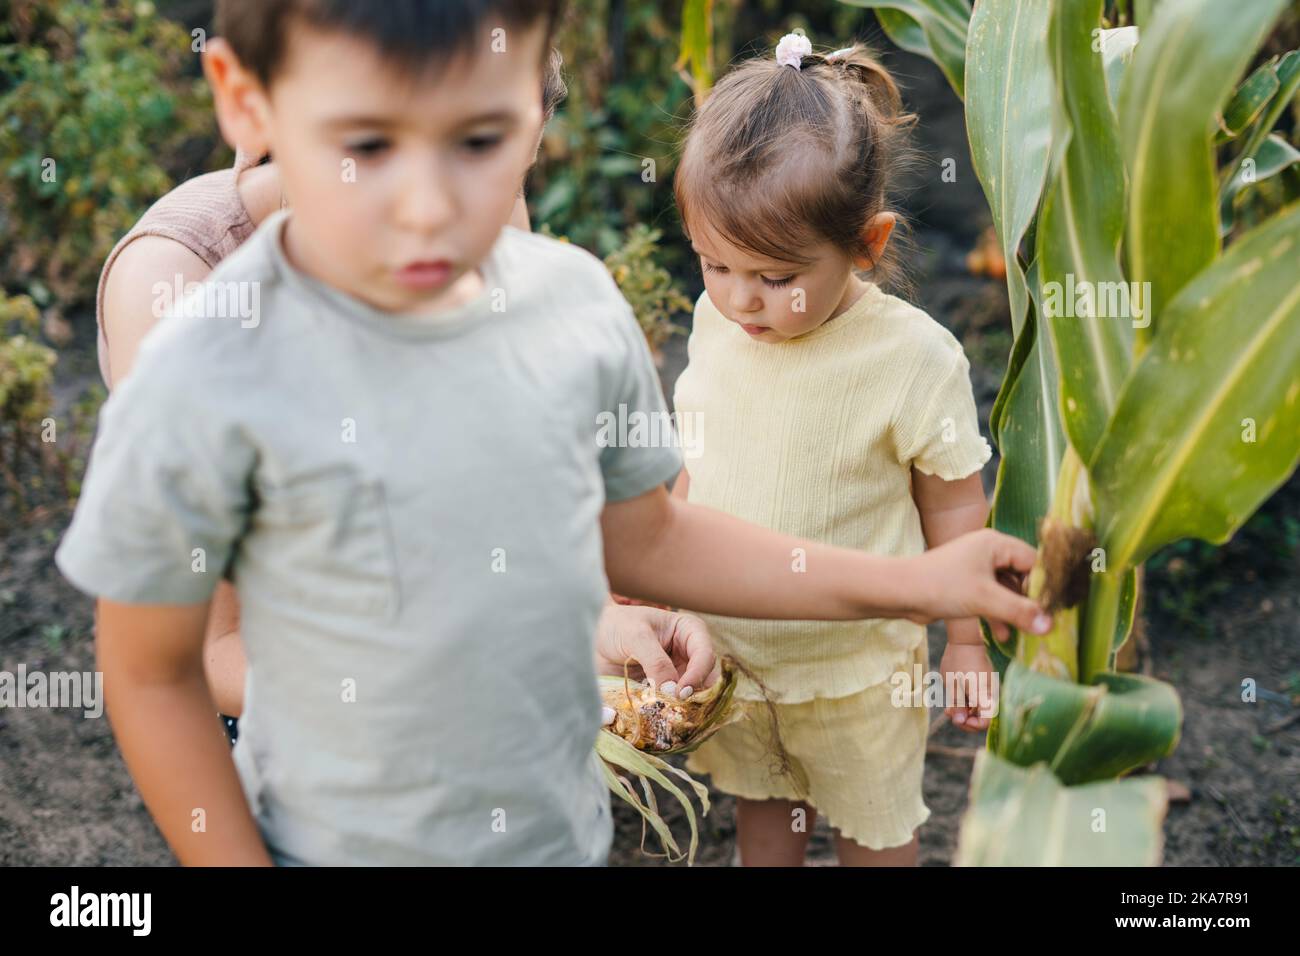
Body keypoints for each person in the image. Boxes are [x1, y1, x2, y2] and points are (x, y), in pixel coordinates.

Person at [56, 2, 1048, 866]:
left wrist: (922, 586)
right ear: (246, 99)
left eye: (482, 139)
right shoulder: (204, 359)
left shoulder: (565, 304)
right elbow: (156, 667)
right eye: (367, 142)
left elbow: (652, 541)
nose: (433, 208)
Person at [671, 33, 1000, 866]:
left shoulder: (912, 359)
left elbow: (955, 505)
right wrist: (655, 583)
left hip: (860, 674)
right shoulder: (718, 321)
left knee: (876, 834)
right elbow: (696, 454)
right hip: (739, 657)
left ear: (869, 242)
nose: (742, 299)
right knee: (764, 820)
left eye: (778, 278)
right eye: (715, 263)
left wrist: (965, 639)